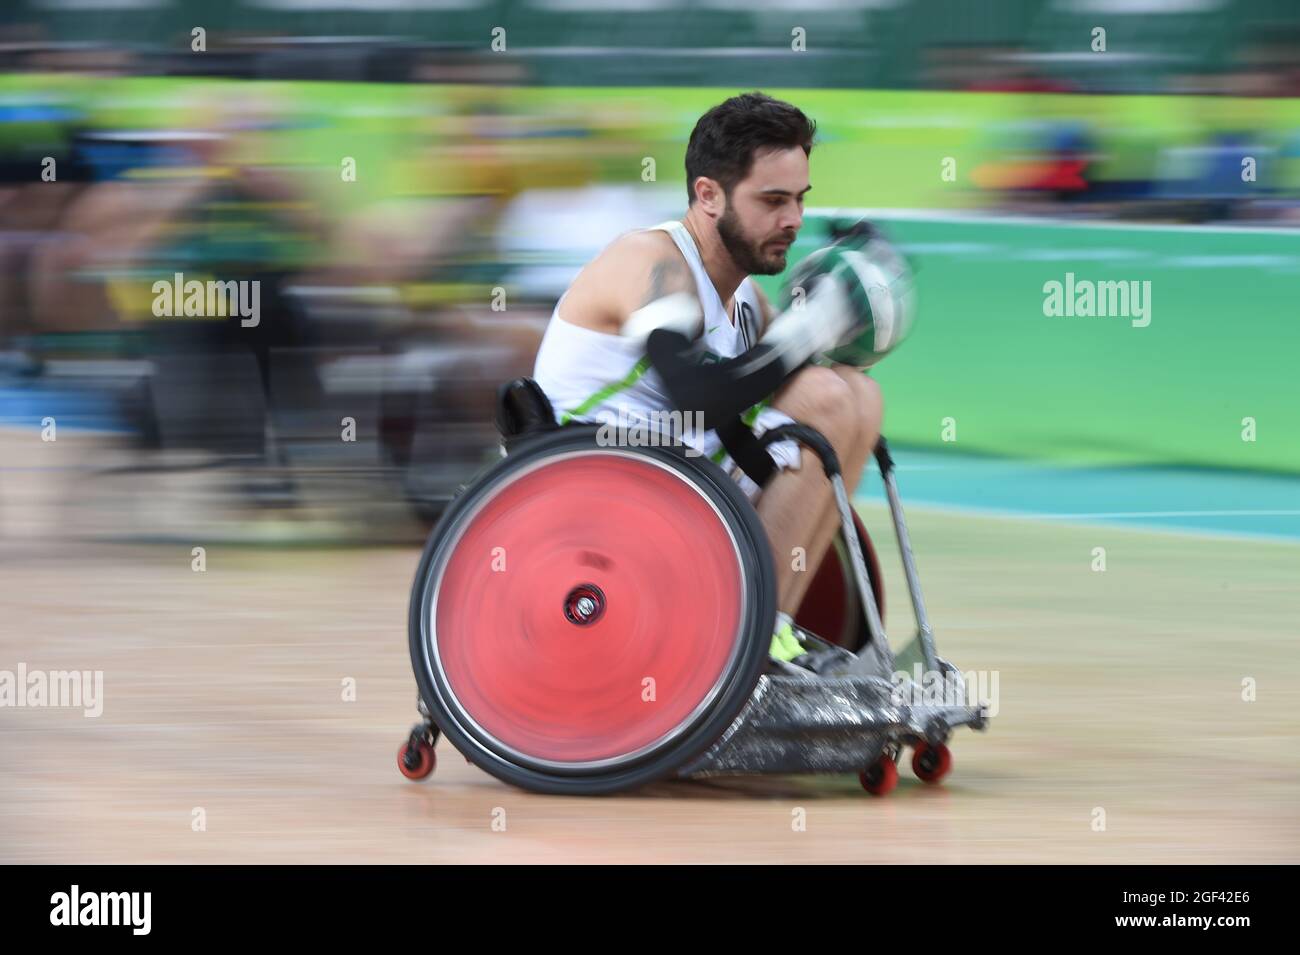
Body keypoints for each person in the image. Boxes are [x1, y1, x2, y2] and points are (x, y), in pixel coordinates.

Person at [534, 92, 883, 668]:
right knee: (824, 396)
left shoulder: (745, 297)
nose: (793, 219)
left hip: (685, 489)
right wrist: (809, 327)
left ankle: (773, 634)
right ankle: (748, 643)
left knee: (855, 394)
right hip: (596, 498)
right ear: (708, 194)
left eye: (799, 199)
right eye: (772, 200)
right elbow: (697, 396)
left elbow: (786, 408)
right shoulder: (650, 260)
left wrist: (857, 293)